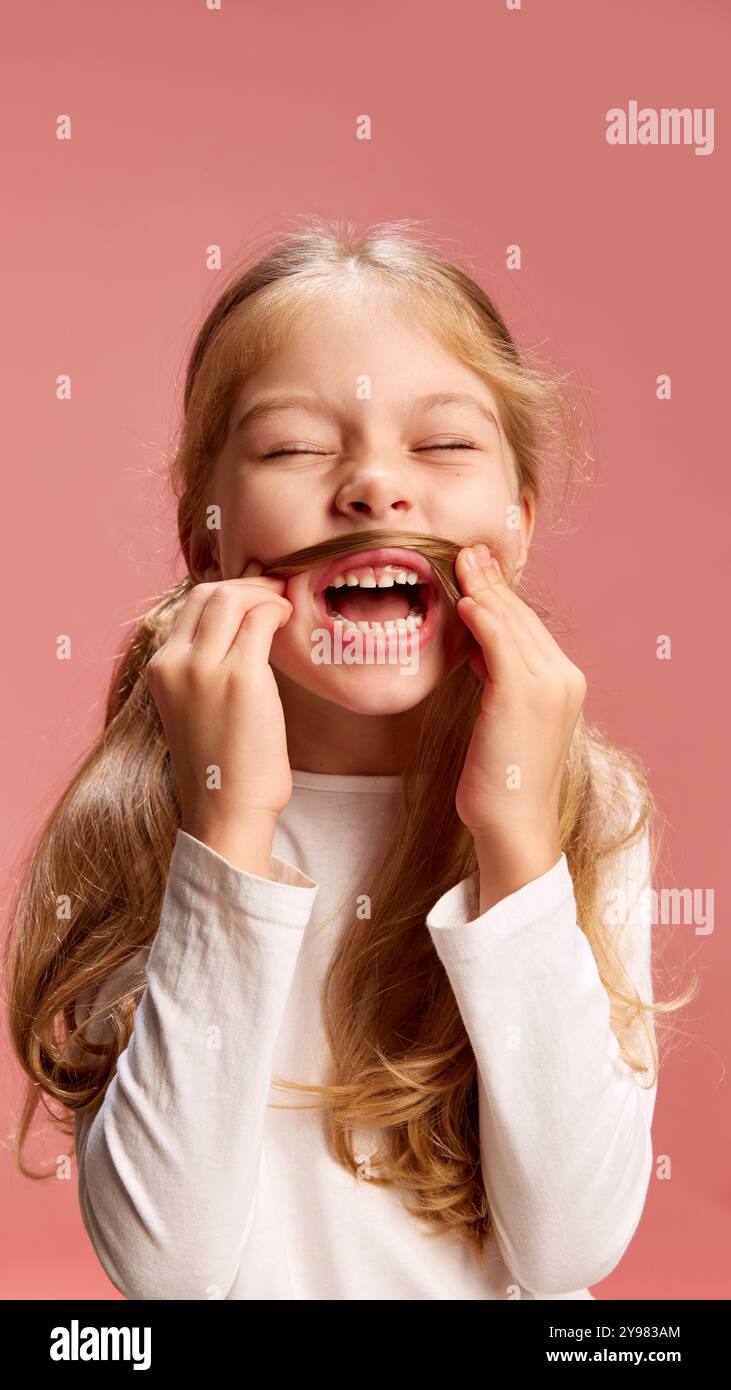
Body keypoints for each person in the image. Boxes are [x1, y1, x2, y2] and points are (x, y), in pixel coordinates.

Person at [5, 219, 693, 1301]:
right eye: (292, 449)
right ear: (207, 534)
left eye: (443, 445)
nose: (374, 487)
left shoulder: (586, 812)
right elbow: (166, 1272)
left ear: (516, 525)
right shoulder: (145, 817)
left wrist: (515, 838)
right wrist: (226, 829)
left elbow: (569, 1248)